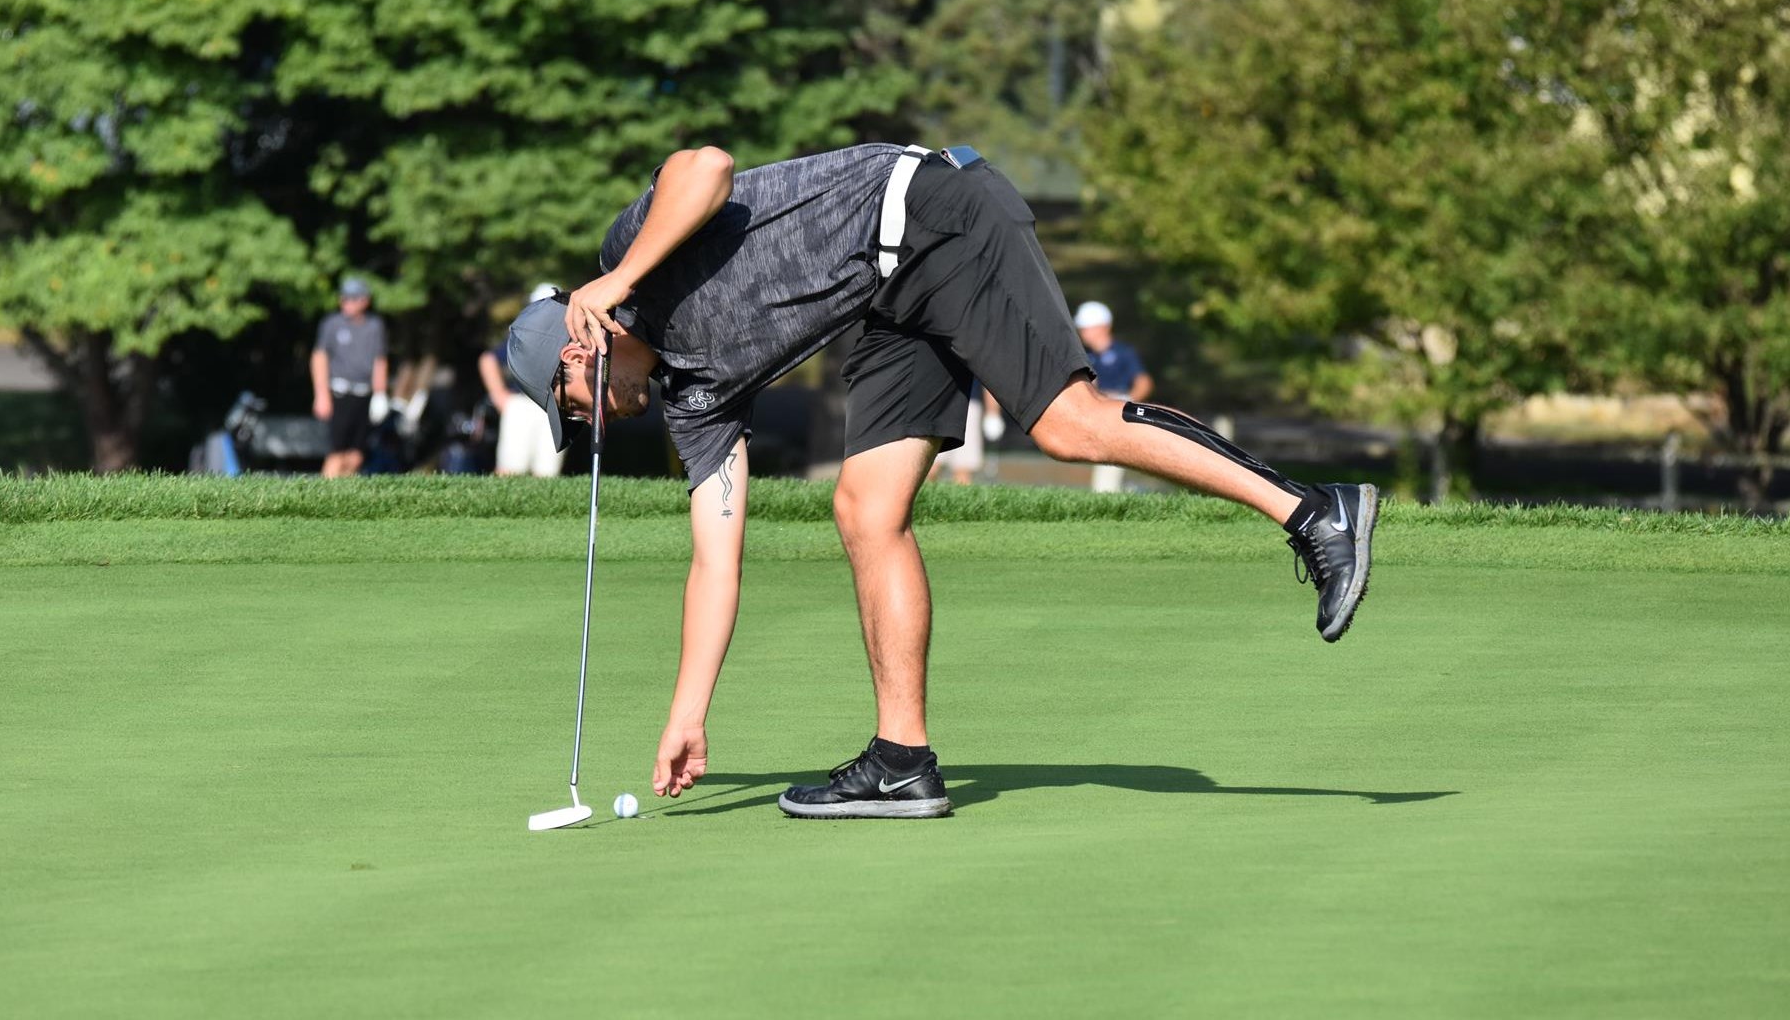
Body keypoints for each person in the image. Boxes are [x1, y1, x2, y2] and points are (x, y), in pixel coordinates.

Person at [503, 143, 1378, 820]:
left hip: (936, 213)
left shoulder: (630, 252)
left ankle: (1313, 511)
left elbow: (708, 167)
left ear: (581, 349)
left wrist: (620, 277)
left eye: (572, 403)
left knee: (1067, 424)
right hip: (886, 301)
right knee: (865, 507)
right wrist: (688, 712)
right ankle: (902, 760)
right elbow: (714, 560)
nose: (587, 420)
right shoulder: (694, 403)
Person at [479, 284, 566, 477]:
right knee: (510, 469)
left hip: (554, 406)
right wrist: (499, 395)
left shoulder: (570, 335)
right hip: (522, 404)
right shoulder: (525, 334)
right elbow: (489, 359)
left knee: (548, 472)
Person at [310, 276, 388, 479]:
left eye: (352, 299)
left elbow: (380, 360)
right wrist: (321, 394)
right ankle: (323, 496)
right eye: (344, 298)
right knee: (337, 452)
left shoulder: (374, 326)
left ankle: (343, 499)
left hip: (363, 394)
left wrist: (380, 394)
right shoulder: (332, 324)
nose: (346, 303)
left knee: (355, 455)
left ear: (364, 301)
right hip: (339, 393)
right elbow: (319, 358)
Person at [1074, 301, 1155, 493]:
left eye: (1086, 328)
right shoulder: (1086, 356)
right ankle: (1109, 495)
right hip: (1100, 416)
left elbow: (1144, 382)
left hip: (1121, 416)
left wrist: (1126, 401)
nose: (1082, 332)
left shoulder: (1123, 353)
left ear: (1103, 326)